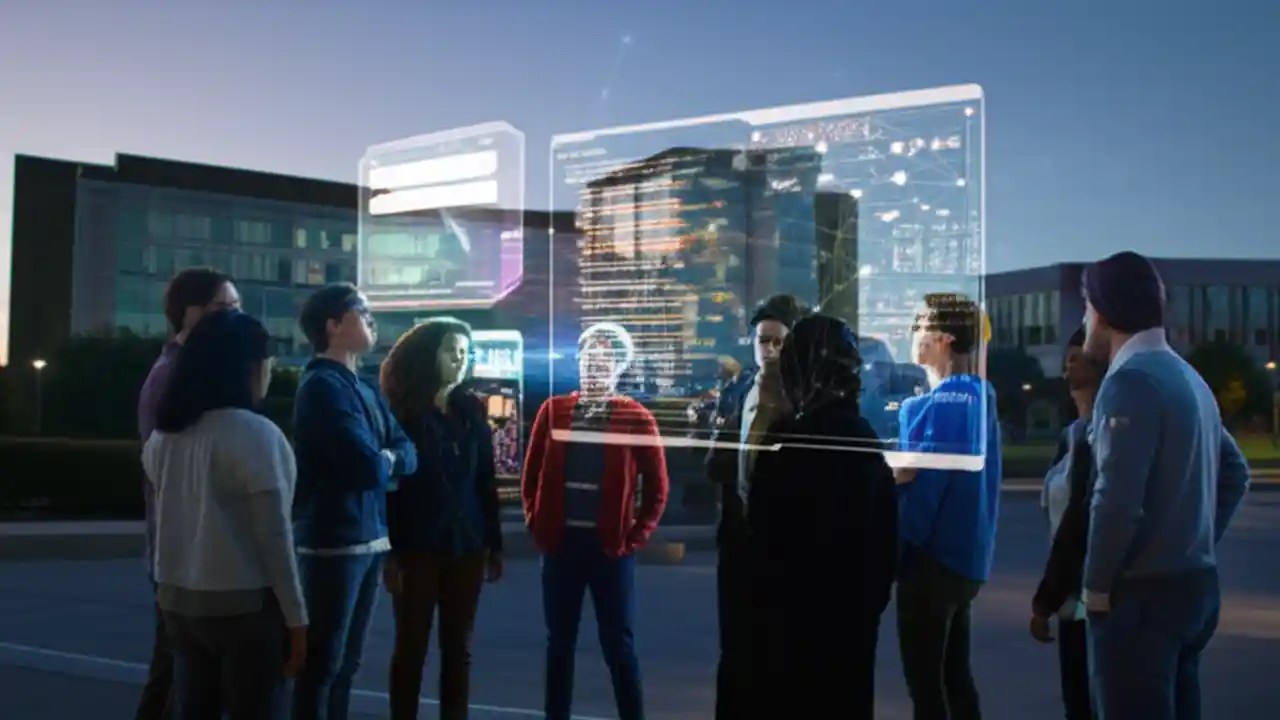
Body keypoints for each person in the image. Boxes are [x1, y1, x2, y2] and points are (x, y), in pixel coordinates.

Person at [1078, 251, 1251, 719]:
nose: (1085, 320)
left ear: (1105, 312)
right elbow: (1235, 472)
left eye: (1087, 308)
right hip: (1194, 589)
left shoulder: (1130, 381)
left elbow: (1115, 500)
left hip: (1142, 600)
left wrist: (1095, 588)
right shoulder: (1188, 376)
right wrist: (1192, 541)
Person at [143, 309, 306, 720]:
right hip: (243, 606)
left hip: (178, 602)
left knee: (194, 707)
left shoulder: (164, 437)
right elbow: (274, 539)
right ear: (250, 366)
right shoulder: (256, 435)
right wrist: (297, 619)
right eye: (268, 361)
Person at [746, 314, 898, 719]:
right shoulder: (862, 438)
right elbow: (884, 537)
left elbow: (762, 538)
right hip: (851, 619)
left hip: (793, 622)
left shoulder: (788, 442)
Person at [522, 323, 669, 720]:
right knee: (559, 644)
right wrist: (536, 521)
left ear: (619, 367)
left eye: (604, 361)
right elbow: (531, 474)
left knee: (618, 644)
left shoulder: (636, 417)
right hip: (560, 545)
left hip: (609, 549)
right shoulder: (553, 410)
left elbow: (657, 488)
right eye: (589, 359)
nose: (595, 367)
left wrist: (633, 538)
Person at [292, 283, 418, 720]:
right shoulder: (321, 387)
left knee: (346, 664)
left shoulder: (364, 387)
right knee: (322, 662)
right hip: (334, 542)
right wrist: (388, 460)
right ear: (332, 326)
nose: (371, 321)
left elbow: (408, 451)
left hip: (370, 538)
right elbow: (364, 466)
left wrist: (387, 459)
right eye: (361, 313)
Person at [379, 318, 505, 720]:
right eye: (451, 351)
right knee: (411, 647)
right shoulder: (402, 413)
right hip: (416, 547)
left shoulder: (471, 409)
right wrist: (390, 553)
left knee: (458, 649)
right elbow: (390, 489)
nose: (460, 359)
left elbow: (485, 479)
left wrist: (494, 544)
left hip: (467, 543)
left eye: (465, 352)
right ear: (427, 355)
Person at [135, 267, 240, 720]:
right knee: (175, 673)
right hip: (180, 547)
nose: (233, 316)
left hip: (184, 547)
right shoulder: (174, 376)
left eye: (236, 307)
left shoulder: (189, 370)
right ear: (187, 313)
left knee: (178, 671)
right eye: (222, 307)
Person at [894, 292, 1002, 720]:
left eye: (919, 325)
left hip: (931, 561)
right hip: (964, 559)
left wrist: (897, 547)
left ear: (944, 338)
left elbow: (925, 492)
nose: (912, 334)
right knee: (954, 677)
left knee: (927, 687)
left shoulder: (948, 401)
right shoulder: (977, 396)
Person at [703, 294, 807, 720]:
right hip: (737, 538)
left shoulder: (802, 398)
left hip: (781, 544)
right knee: (734, 649)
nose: (770, 351)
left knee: (777, 651)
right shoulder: (738, 393)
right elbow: (717, 465)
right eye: (763, 341)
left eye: (779, 342)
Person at [1030, 328, 1106, 720]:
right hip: (1070, 591)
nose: (1067, 366)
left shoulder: (1100, 436)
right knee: (1075, 696)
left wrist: (1046, 598)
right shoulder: (1072, 436)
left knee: (1090, 700)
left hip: (1091, 590)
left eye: (1076, 357)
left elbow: (1079, 519)